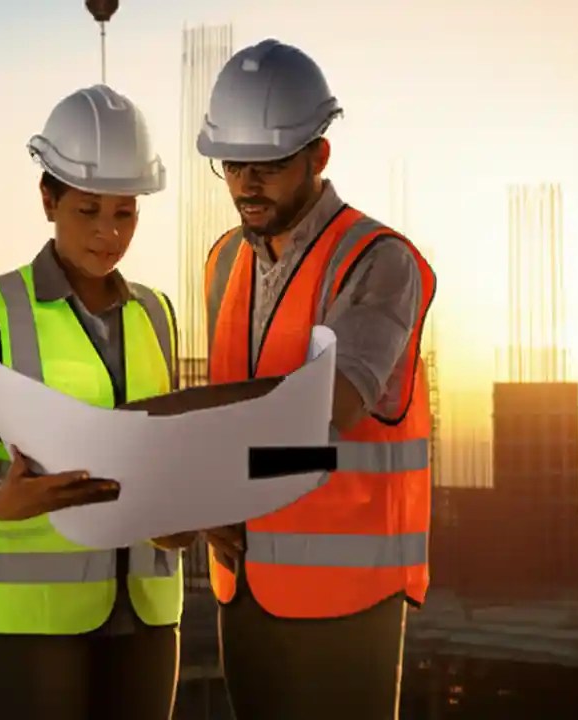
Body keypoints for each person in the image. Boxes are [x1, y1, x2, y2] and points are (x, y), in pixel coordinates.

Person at [194, 39, 437, 719]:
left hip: (348, 599)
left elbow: (327, 410)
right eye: (232, 165)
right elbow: (228, 410)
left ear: (317, 156)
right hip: (241, 585)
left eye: (267, 166)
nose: (246, 184)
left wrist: (184, 449)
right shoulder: (222, 263)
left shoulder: (379, 260)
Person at [0, 84, 191, 720]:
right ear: (48, 199)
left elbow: (169, 452)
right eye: (88, 210)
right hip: (33, 624)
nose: (109, 233)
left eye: (125, 212)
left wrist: (198, 510)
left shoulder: (156, 313)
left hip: (148, 612)